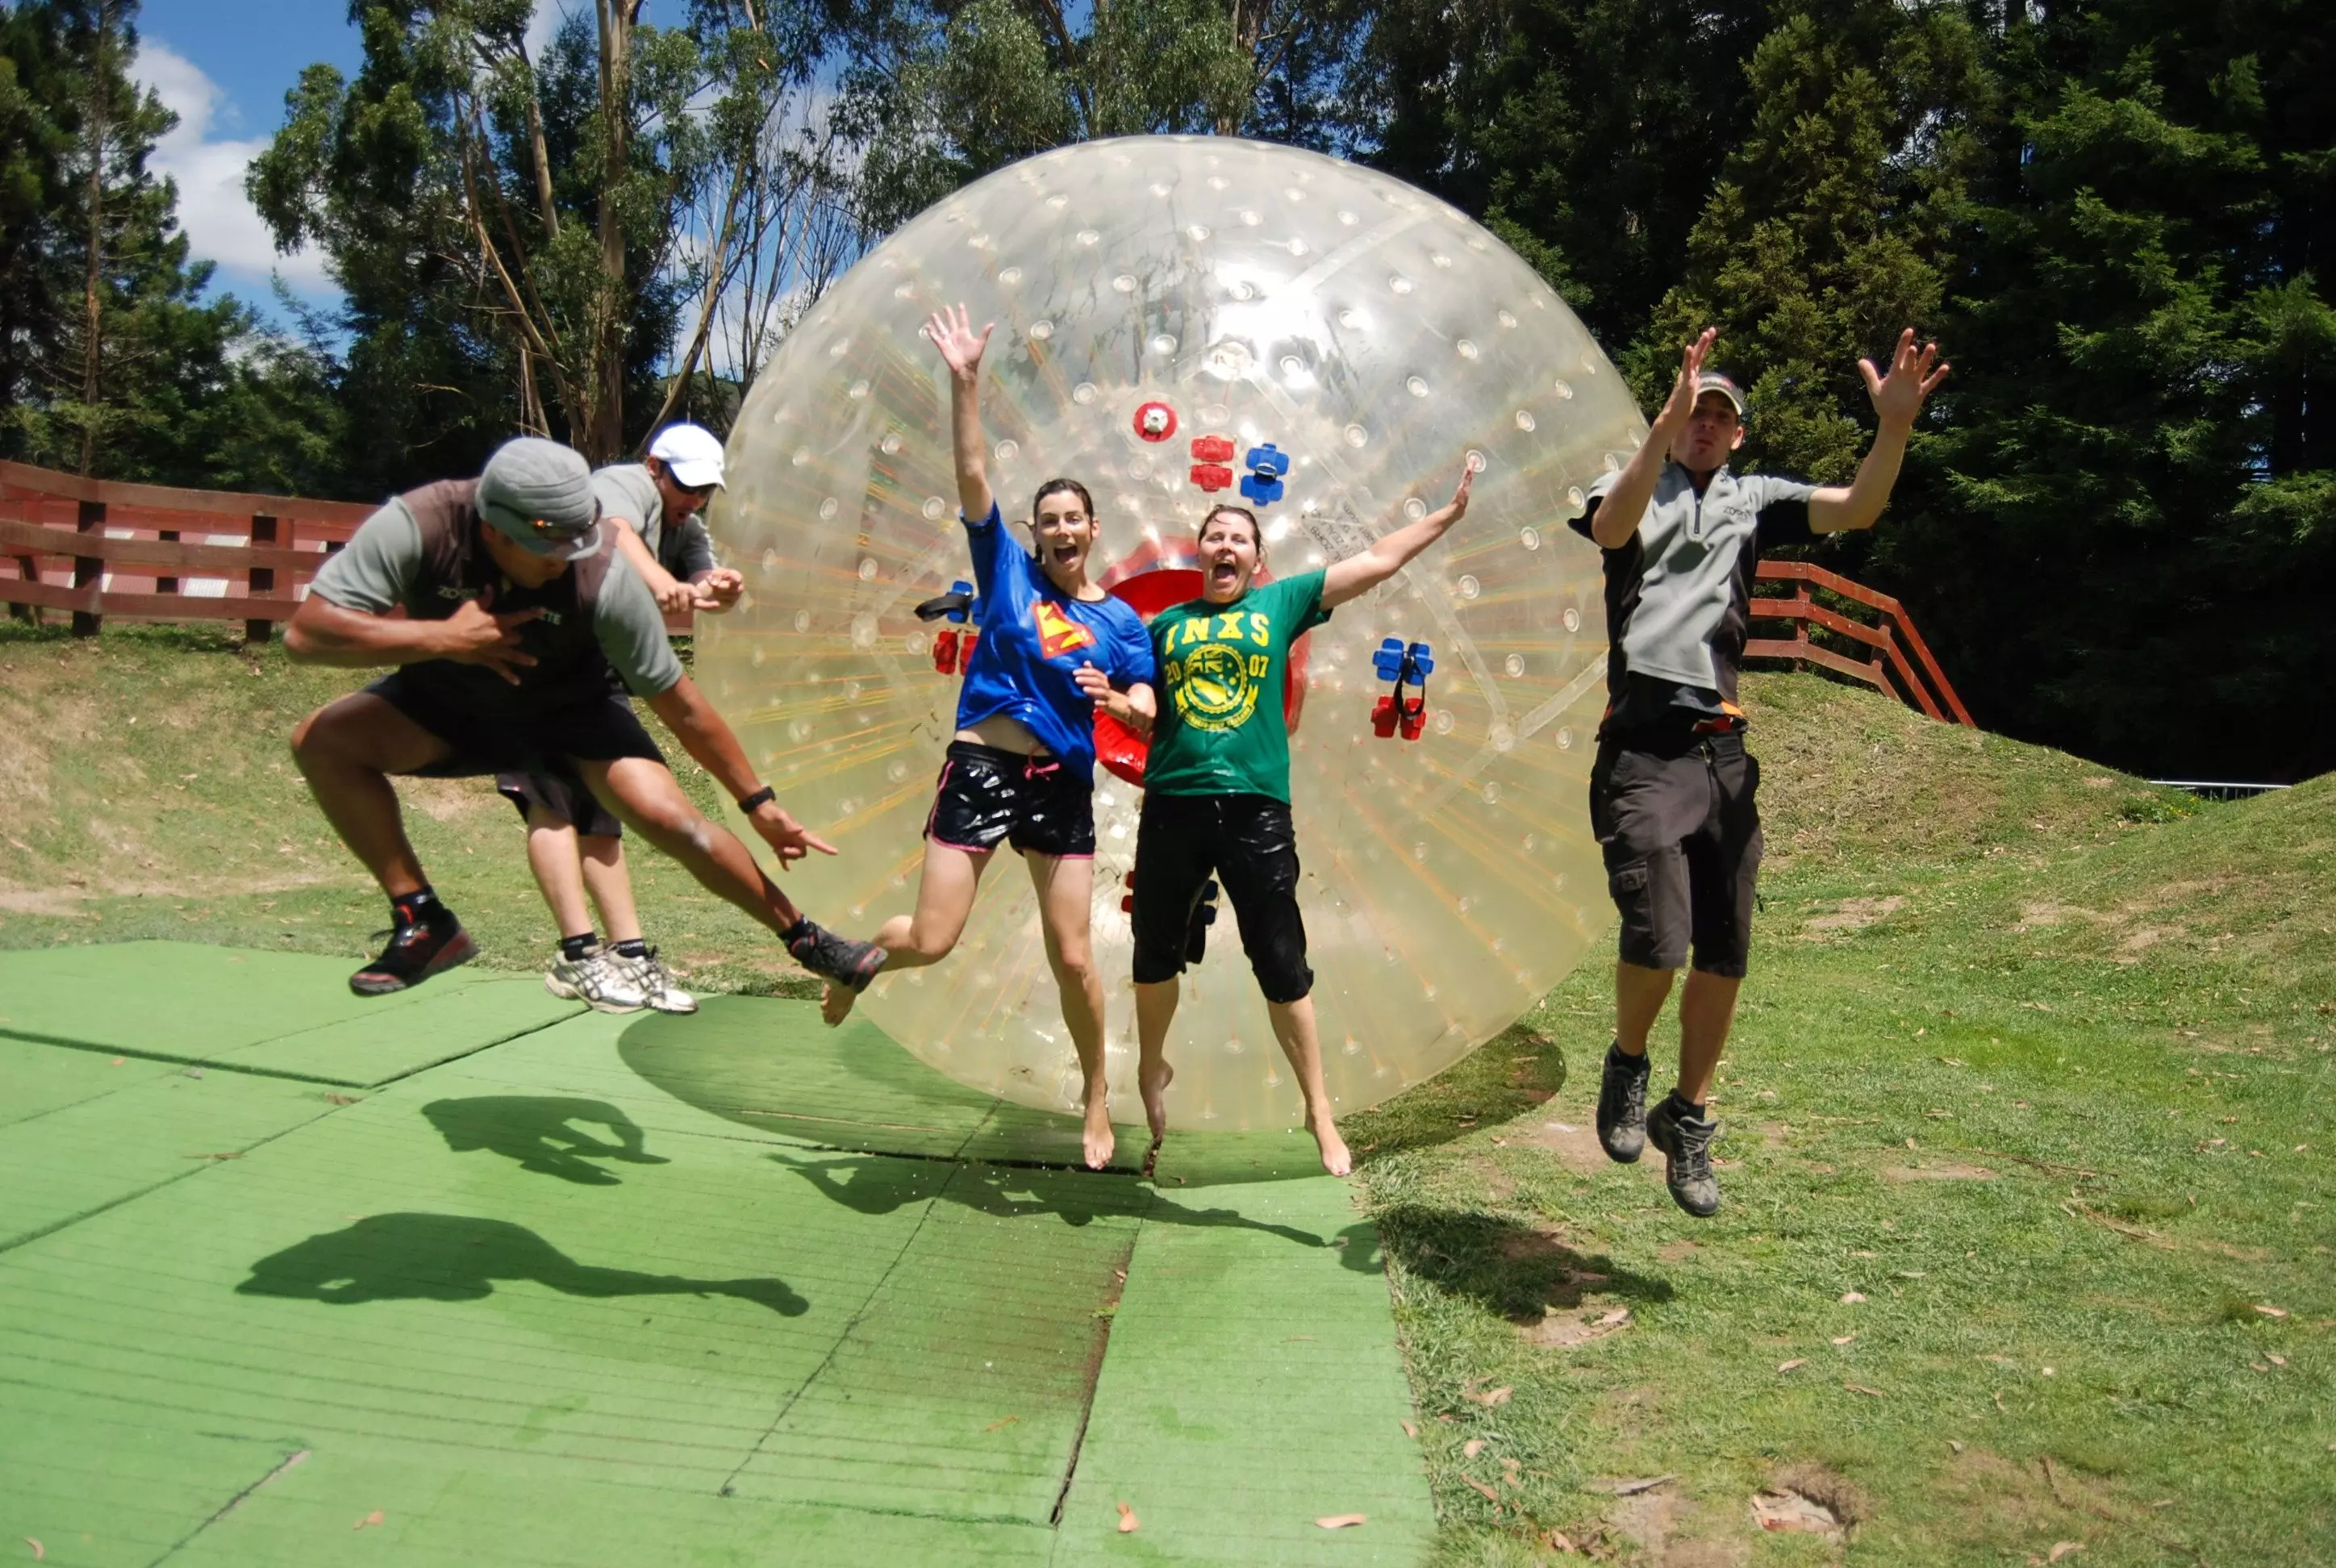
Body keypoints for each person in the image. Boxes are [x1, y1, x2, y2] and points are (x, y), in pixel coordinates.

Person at [283, 435, 884, 1002]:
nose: (568, 560)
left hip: (574, 712)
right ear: (494, 530)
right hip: (449, 704)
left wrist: (761, 804)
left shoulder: (606, 574)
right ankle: (423, 919)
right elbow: (307, 636)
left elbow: (681, 704)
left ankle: (809, 940)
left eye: (581, 539)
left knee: (674, 821)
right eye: (551, 550)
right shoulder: (420, 523)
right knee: (322, 740)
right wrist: (442, 638)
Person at [1574, 327, 1949, 1217]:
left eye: (1719, 418)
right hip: (1642, 747)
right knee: (1657, 938)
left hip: (1722, 753)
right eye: (1693, 413)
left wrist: (1892, 427)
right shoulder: (1632, 482)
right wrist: (1655, 430)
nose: (1704, 427)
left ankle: (1689, 1114)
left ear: (1738, 435)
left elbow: (1857, 508)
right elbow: (1609, 527)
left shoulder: (1753, 498)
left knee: (1725, 948)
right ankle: (1628, 1064)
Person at [819, 304, 1158, 1174]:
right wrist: (964, 381)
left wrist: (1117, 700)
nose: (1059, 529)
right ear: (1036, 533)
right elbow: (972, 471)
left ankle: (1093, 1093)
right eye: (1047, 519)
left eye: (1072, 518)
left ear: (1091, 529)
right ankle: (860, 960)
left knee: (1073, 953)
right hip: (982, 763)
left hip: (1061, 783)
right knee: (932, 941)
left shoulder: (1120, 621)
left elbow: (1149, 712)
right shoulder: (1004, 571)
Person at [1132, 461, 1475, 1177]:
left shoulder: (1280, 604)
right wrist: (1127, 707)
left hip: (1256, 807)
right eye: (1214, 535)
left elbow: (1376, 561)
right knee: (1153, 954)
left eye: (1239, 538)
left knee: (1281, 960)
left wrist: (1443, 519)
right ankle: (1151, 1066)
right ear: (1199, 553)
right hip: (1174, 802)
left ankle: (1318, 1107)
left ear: (1258, 561)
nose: (1225, 545)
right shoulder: (1163, 626)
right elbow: (1142, 705)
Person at [495, 424, 746, 1015]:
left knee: (602, 816)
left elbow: (703, 578)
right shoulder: (623, 484)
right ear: (654, 466)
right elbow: (614, 530)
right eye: (687, 486)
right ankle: (577, 958)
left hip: (596, 673)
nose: (695, 499)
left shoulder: (685, 524)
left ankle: (631, 958)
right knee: (550, 802)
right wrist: (661, 581)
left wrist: (722, 586)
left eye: (706, 490)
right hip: (534, 661)